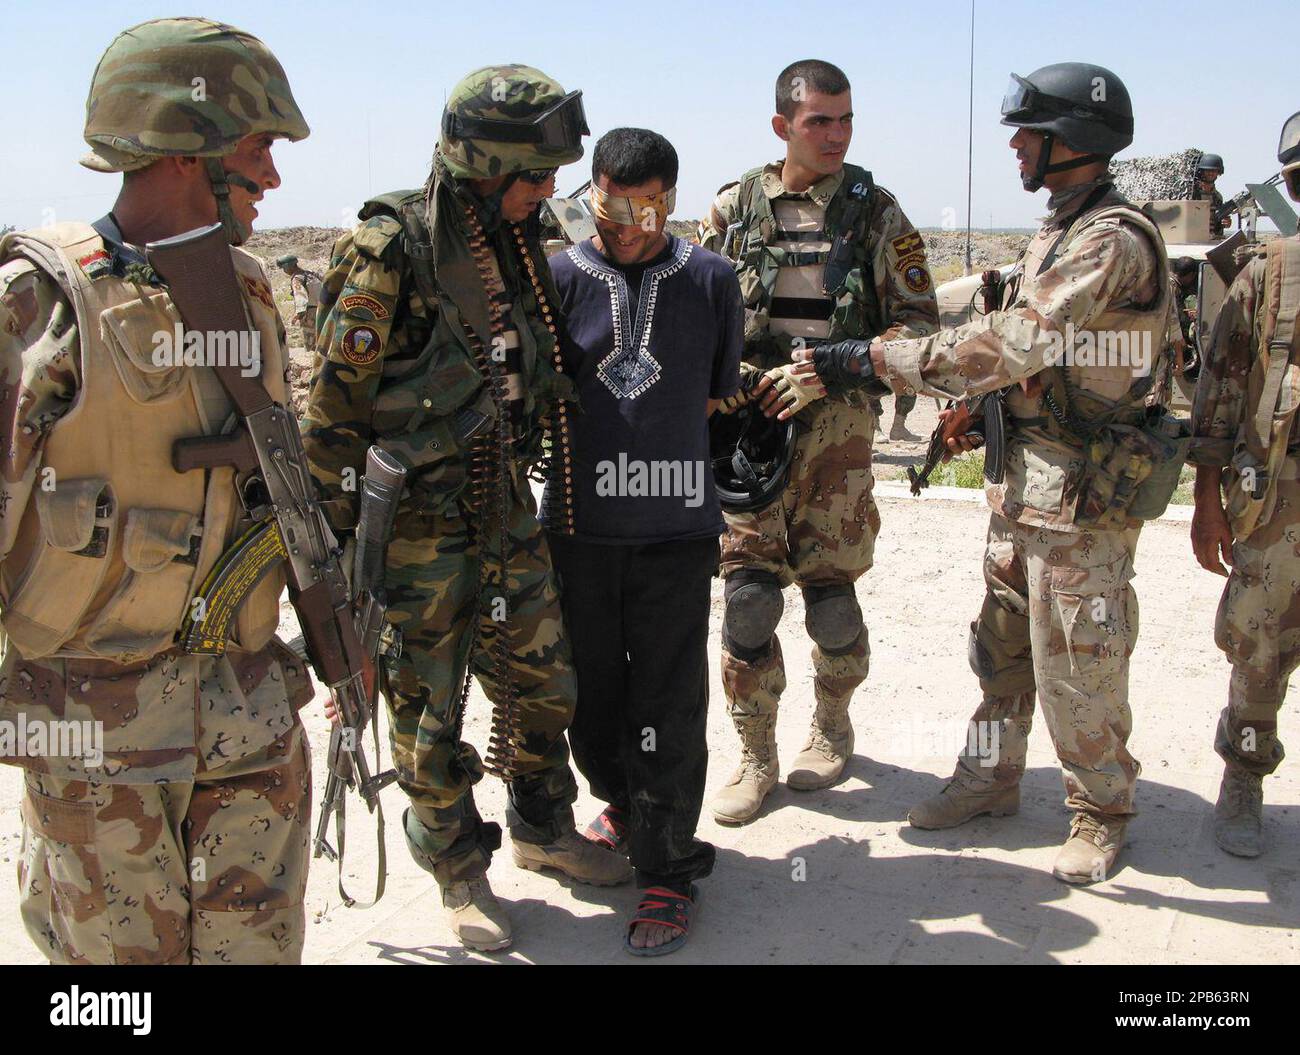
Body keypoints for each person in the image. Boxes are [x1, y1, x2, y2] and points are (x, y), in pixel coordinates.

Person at [802, 62, 1181, 883]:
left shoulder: (1109, 238)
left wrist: (870, 357)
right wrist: (975, 411)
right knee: (999, 653)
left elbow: (1016, 341)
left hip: (1083, 498)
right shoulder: (1062, 227)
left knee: (1079, 661)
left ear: (1072, 142)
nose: (1014, 145)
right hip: (1025, 489)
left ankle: (1100, 810)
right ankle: (987, 777)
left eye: (1028, 133)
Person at [0, 17, 315, 963]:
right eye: (258, 149)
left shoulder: (254, 292)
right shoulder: (41, 304)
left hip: (249, 725)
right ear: (188, 152)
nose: (274, 179)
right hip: (99, 744)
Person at [299, 65, 630, 953]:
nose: (551, 190)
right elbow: (331, 409)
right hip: (414, 530)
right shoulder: (390, 245)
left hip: (502, 505)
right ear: (487, 164)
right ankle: (457, 872)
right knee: (426, 709)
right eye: (537, 174)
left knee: (542, 680)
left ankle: (542, 828)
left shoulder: (515, 238)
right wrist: (329, 557)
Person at [697, 59, 939, 823]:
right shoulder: (734, 207)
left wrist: (832, 374)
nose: (835, 135)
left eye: (845, 120)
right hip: (748, 434)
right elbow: (696, 316)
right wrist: (736, 379)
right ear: (782, 127)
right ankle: (755, 753)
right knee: (748, 601)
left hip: (837, 438)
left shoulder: (877, 214)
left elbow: (921, 328)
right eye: (818, 122)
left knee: (832, 602)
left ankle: (831, 729)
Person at [543, 128, 742, 954]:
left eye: (646, 206)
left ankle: (665, 868)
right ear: (591, 191)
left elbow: (716, 397)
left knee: (667, 699)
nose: (626, 223)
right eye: (610, 205)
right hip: (579, 528)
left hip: (674, 530)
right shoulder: (555, 279)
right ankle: (623, 795)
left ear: (669, 197)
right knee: (589, 696)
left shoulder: (711, 280)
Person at [1188, 111, 1300, 859]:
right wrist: (1205, 500)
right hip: (1280, 499)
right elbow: (1219, 391)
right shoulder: (1270, 272)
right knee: (1259, 650)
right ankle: (1245, 776)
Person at [276, 254, 324, 356]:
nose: (284, 271)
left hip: (309, 313)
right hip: (324, 310)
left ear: (288, 266)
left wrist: (299, 313)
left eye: (283, 268)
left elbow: (300, 296)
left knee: (311, 343)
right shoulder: (312, 274)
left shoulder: (297, 279)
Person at [1193, 153, 1227, 238]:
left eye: (1214, 171)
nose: (1211, 173)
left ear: (1219, 172)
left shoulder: (1218, 197)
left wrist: (1224, 223)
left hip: (1212, 240)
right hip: (1194, 238)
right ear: (1201, 171)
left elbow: (1217, 223)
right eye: (1207, 170)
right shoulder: (1192, 194)